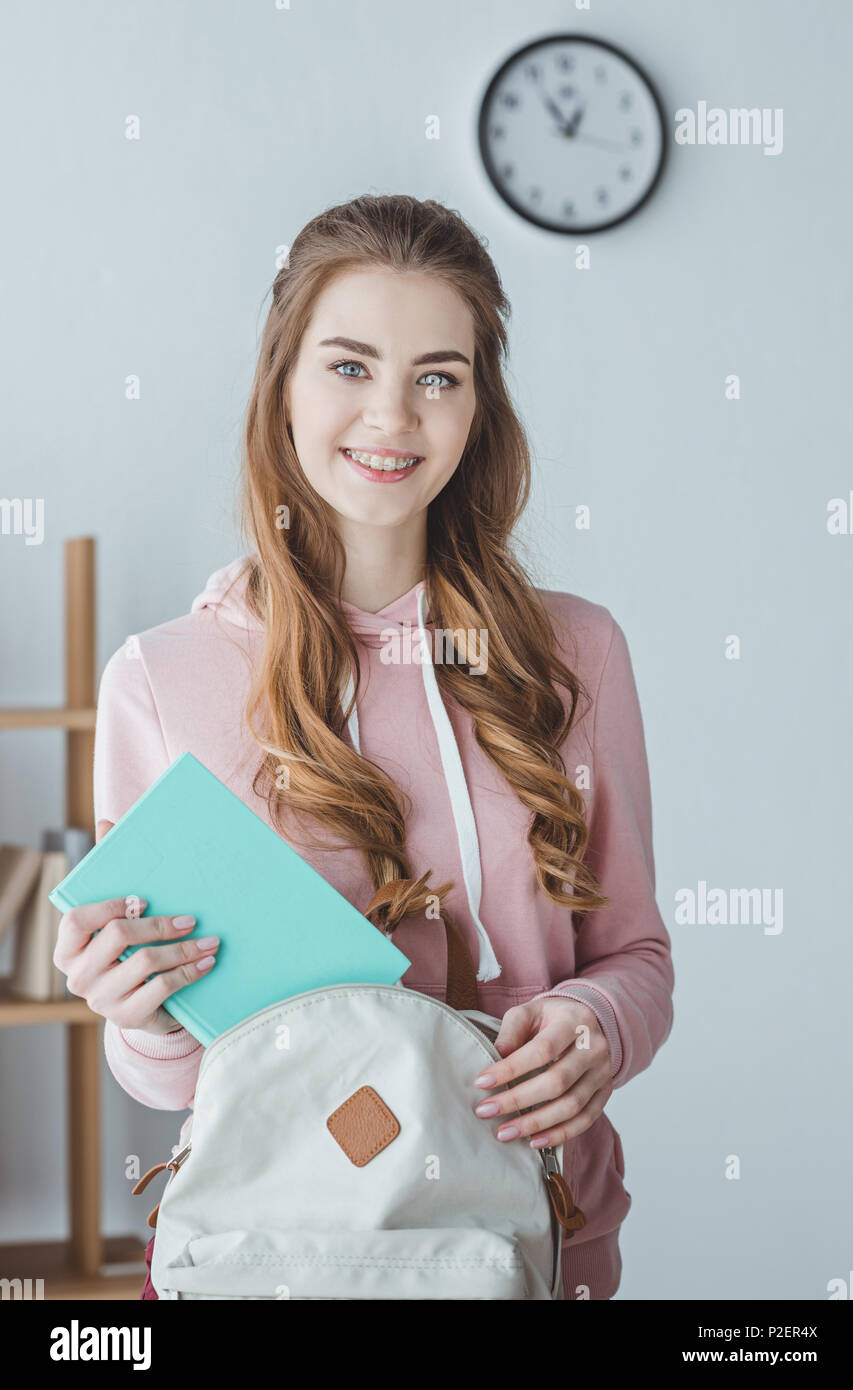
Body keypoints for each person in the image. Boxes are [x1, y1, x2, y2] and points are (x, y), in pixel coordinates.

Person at [54, 194, 674, 1301]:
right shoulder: (162, 678)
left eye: (437, 375)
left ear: (479, 405)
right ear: (283, 384)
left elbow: (638, 959)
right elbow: (176, 1082)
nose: (392, 417)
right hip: (265, 1255)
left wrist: (596, 1025)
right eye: (348, 366)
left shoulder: (578, 653)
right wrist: (135, 1011)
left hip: (533, 1244)